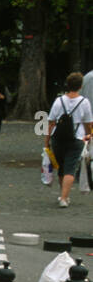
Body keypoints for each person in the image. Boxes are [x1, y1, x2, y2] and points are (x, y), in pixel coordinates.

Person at [46, 71, 92, 207]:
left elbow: (51, 122)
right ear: (80, 86)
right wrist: (89, 135)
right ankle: (64, 198)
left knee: (61, 168)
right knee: (70, 168)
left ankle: (62, 194)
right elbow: (88, 122)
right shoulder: (84, 102)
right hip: (76, 138)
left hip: (58, 138)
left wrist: (47, 140)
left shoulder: (59, 101)